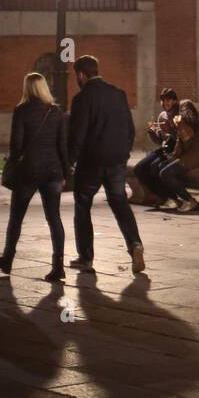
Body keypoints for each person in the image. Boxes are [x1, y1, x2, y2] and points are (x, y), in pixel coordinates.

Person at [68, 54, 145, 275]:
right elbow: (130, 130)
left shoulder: (82, 99)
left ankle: (86, 258)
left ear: (81, 75)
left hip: (91, 162)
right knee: (120, 203)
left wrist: (69, 162)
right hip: (116, 161)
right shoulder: (118, 94)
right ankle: (135, 244)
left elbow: (78, 135)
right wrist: (124, 155)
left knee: (83, 206)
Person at [0, 71, 69, 282]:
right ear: (44, 88)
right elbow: (63, 145)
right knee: (54, 218)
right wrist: (65, 172)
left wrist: (14, 159)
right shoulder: (56, 112)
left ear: (27, 88)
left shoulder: (21, 111)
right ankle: (58, 266)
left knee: (16, 218)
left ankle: (7, 259)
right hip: (52, 171)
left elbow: (16, 146)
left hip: (28, 171)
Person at [157, 99, 199, 212]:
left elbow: (186, 141)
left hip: (193, 158)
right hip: (195, 157)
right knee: (162, 166)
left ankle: (189, 200)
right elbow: (181, 143)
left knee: (165, 173)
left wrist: (179, 125)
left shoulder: (186, 122)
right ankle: (174, 199)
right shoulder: (195, 123)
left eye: (181, 109)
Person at [134, 88, 179, 204]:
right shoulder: (162, 116)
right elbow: (159, 141)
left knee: (155, 166)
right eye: (163, 100)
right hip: (164, 148)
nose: (165, 103)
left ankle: (171, 197)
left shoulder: (179, 115)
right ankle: (163, 196)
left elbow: (181, 138)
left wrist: (168, 130)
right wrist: (152, 132)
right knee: (139, 168)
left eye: (168, 100)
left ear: (174, 101)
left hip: (175, 149)